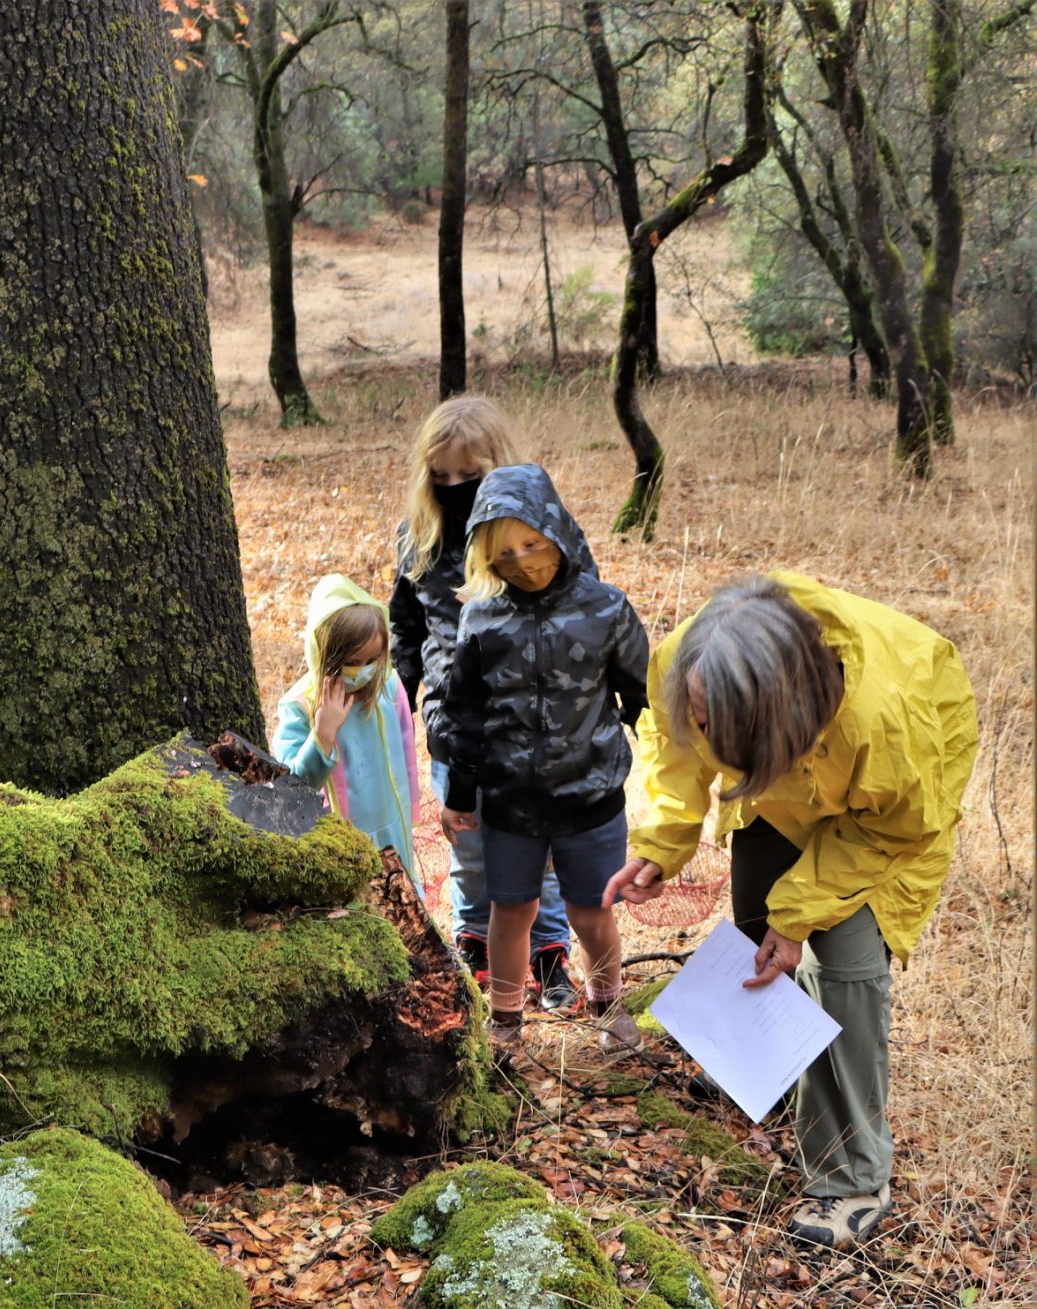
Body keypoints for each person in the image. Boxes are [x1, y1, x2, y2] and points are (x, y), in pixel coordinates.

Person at [605, 575, 977, 1251]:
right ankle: (768, 1071)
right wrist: (664, 841)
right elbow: (676, 743)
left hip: (881, 816)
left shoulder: (886, 724)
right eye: (704, 716)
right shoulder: (695, 656)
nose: (705, 730)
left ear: (778, 715)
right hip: (781, 779)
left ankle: (853, 1176)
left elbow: (891, 829)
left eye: (721, 726)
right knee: (757, 922)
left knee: (844, 969)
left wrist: (800, 915)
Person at [433, 464, 649, 1044]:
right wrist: (459, 794)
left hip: (591, 796)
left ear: (556, 531)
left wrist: (646, 761)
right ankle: (505, 1022)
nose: (522, 561)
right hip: (511, 802)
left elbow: (639, 692)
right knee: (510, 912)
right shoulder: (482, 617)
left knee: (591, 913)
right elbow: (464, 713)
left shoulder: (606, 609)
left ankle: (608, 1007)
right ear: (486, 558)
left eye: (531, 543)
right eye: (504, 553)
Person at [390, 396, 575, 1009]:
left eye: (468, 477)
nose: (453, 489)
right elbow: (406, 626)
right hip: (452, 724)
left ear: (496, 469)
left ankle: (549, 953)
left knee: (538, 848)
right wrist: (400, 697)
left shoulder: (534, 530)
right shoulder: (417, 535)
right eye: (439, 476)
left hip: (529, 722)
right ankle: (474, 944)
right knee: (468, 847)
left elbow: (579, 610)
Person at [272, 574, 420, 886]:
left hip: (392, 832)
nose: (364, 670)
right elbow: (292, 789)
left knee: (400, 905)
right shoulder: (300, 706)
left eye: (373, 659)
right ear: (326, 654)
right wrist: (322, 735)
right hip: (340, 844)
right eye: (353, 662)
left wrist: (409, 812)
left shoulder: (388, 684)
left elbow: (406, 749)